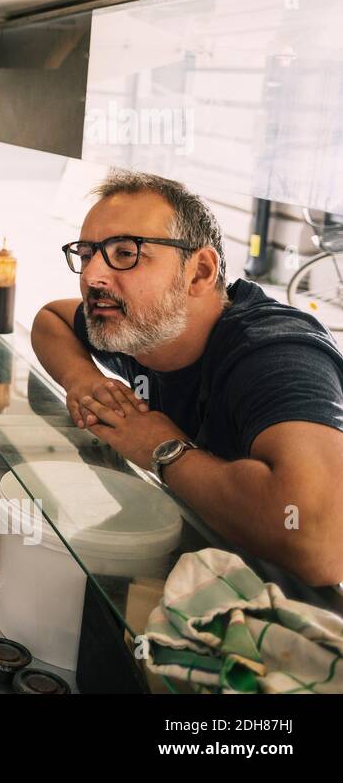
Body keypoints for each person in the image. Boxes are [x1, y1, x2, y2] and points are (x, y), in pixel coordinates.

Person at [32, 170, 343, 588]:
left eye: (125, 252)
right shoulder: (145, 330)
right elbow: (51, 318)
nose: (92, 277)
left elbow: (318, 540)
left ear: (199, 272)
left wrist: (163, 450)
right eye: (87, 254)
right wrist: (83, 380)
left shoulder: (275, 354)